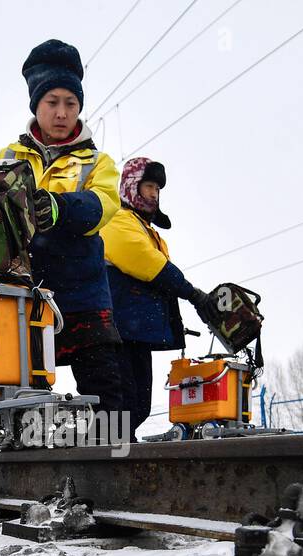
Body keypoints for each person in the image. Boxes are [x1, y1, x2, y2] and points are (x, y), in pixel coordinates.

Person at [0, 38, 124, 428]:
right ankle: (31, 471)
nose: (63, 112)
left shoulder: (98, 162)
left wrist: (59, 207)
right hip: (22, 296)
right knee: (21, 400)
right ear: (36, 106)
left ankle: (113, 466)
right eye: (53, 102)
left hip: (83, 296)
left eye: (71, 102)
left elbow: (104, 205)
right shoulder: (8, 158)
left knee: (108, 398)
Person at [102, 156, 218, 436]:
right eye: (148, 186)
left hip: (135, 334)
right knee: (124, 403)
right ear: (131, 187)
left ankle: (115, 452)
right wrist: (194, 295)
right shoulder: (118, 221)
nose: (154, 194)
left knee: (139, 404)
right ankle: (107, 456)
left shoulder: (144, 228)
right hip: (117, 332)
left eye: (157, 188)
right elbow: (151, 265)